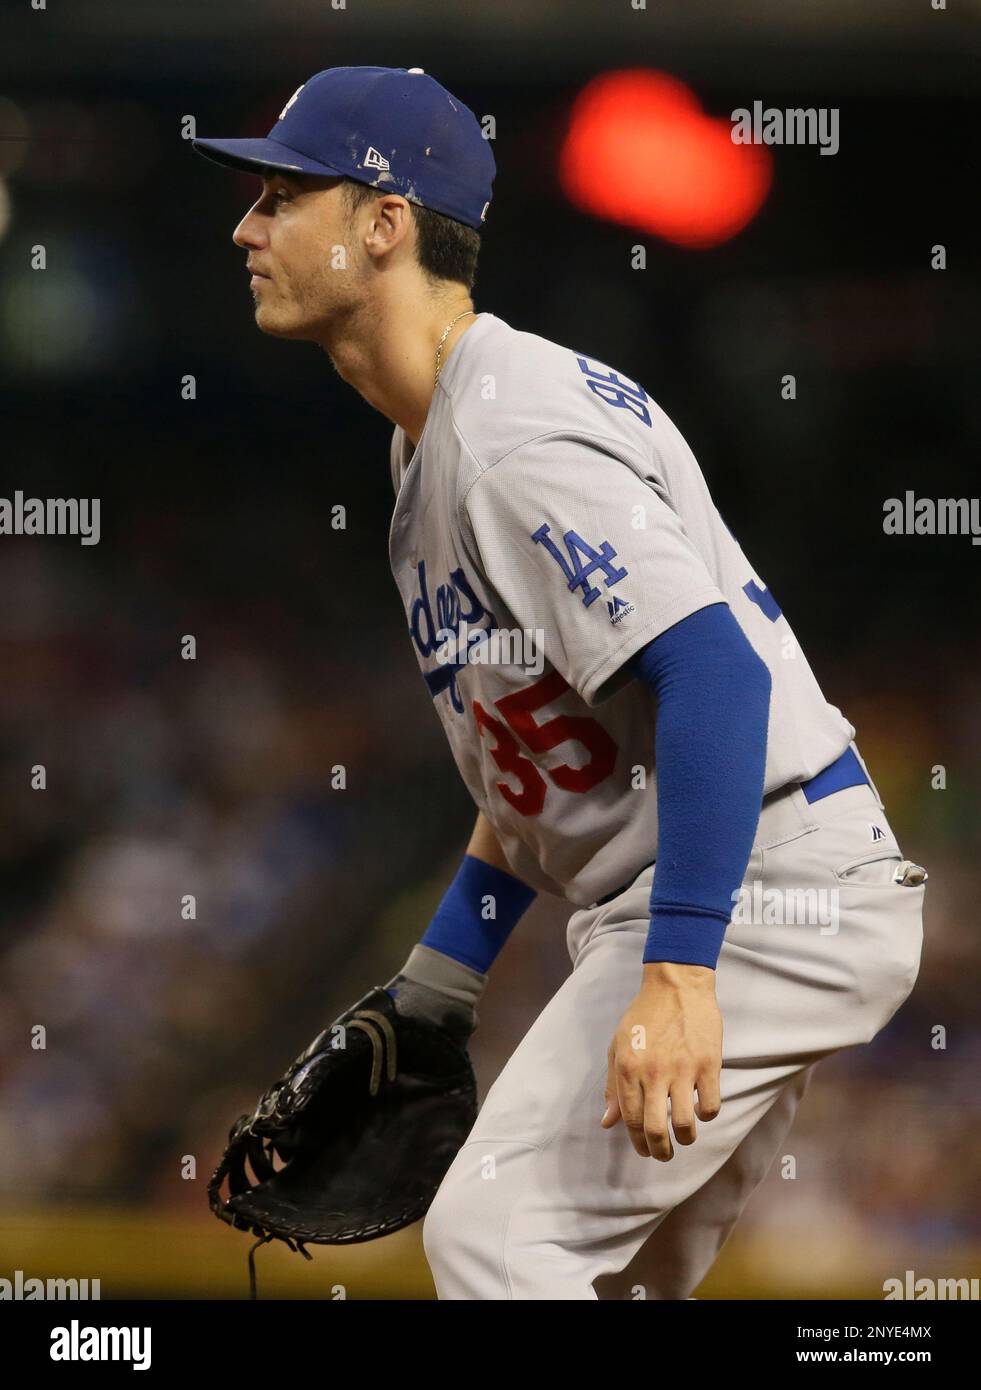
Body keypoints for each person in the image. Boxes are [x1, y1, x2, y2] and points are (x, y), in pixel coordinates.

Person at [192, 65, 926, 1300]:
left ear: (383, 224)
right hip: (744, 880)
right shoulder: (434, 437)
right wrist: (443, 974)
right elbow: (537, 757)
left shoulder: (507, 438)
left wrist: (685, 971)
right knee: (623, 1281)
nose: (245, 227)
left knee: (493, 1240)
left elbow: (713, 670)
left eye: (282, 195)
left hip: (753, 884)